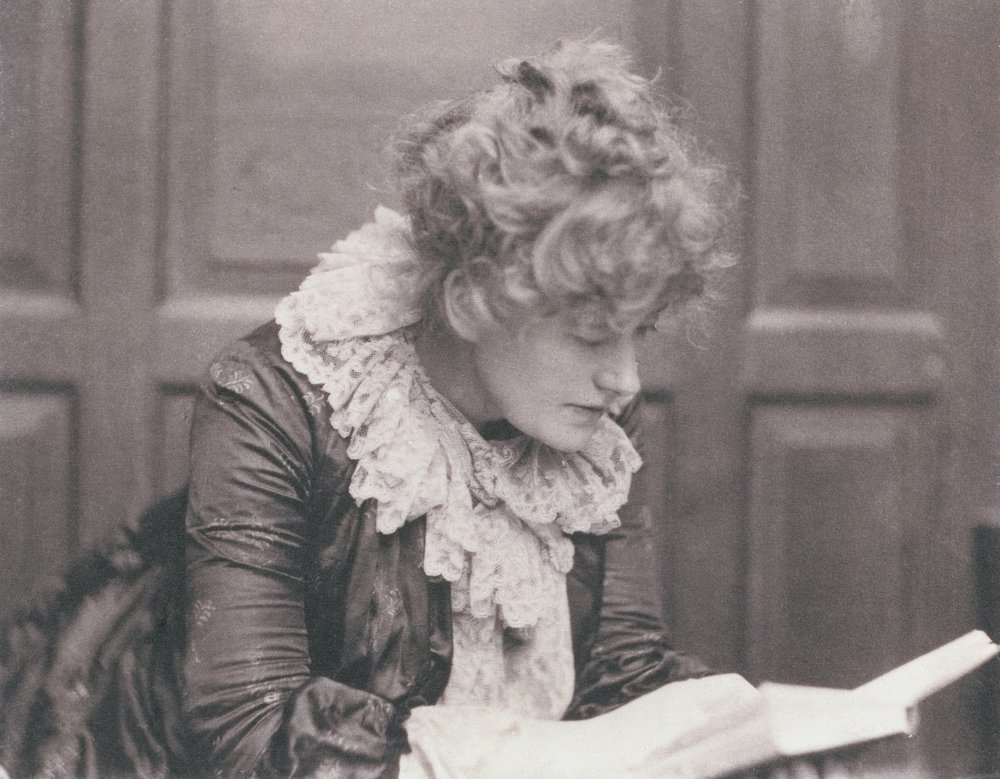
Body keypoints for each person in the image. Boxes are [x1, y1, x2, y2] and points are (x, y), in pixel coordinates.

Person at [0, 39, 847, 779]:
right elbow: (247, 731)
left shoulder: (588, 421)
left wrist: (744, 743)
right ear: (479, 295)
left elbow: (618, 678)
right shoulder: (273, 396)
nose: (625, 379)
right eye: (592, 336)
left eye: (638, 333)